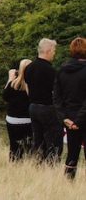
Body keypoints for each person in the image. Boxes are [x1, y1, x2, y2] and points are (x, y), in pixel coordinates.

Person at [56, 36, 86, 179]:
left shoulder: (62, 70)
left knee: (72, 154)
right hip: (82, 118)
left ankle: (67, 185)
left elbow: (57, 98)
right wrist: (78, 121)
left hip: (69, 119)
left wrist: (65, 118)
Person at [28, 38, 62, 164]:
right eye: (53, 50)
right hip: (47, 108)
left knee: (38, 139)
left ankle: (37, 164)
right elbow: (57, 92)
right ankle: (51, 166)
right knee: (53, 141)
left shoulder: (29, 67)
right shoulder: (51, 71)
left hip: (33, 107)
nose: (54, 53)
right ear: (47, 51)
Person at [3, 59, 33, 161]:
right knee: (28, 147)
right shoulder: (32, 85)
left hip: (12, 119)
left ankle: (14, 163)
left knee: (14, 146)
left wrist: (10, 79)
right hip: (27, 120)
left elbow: (5, 97)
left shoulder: (13, 83)